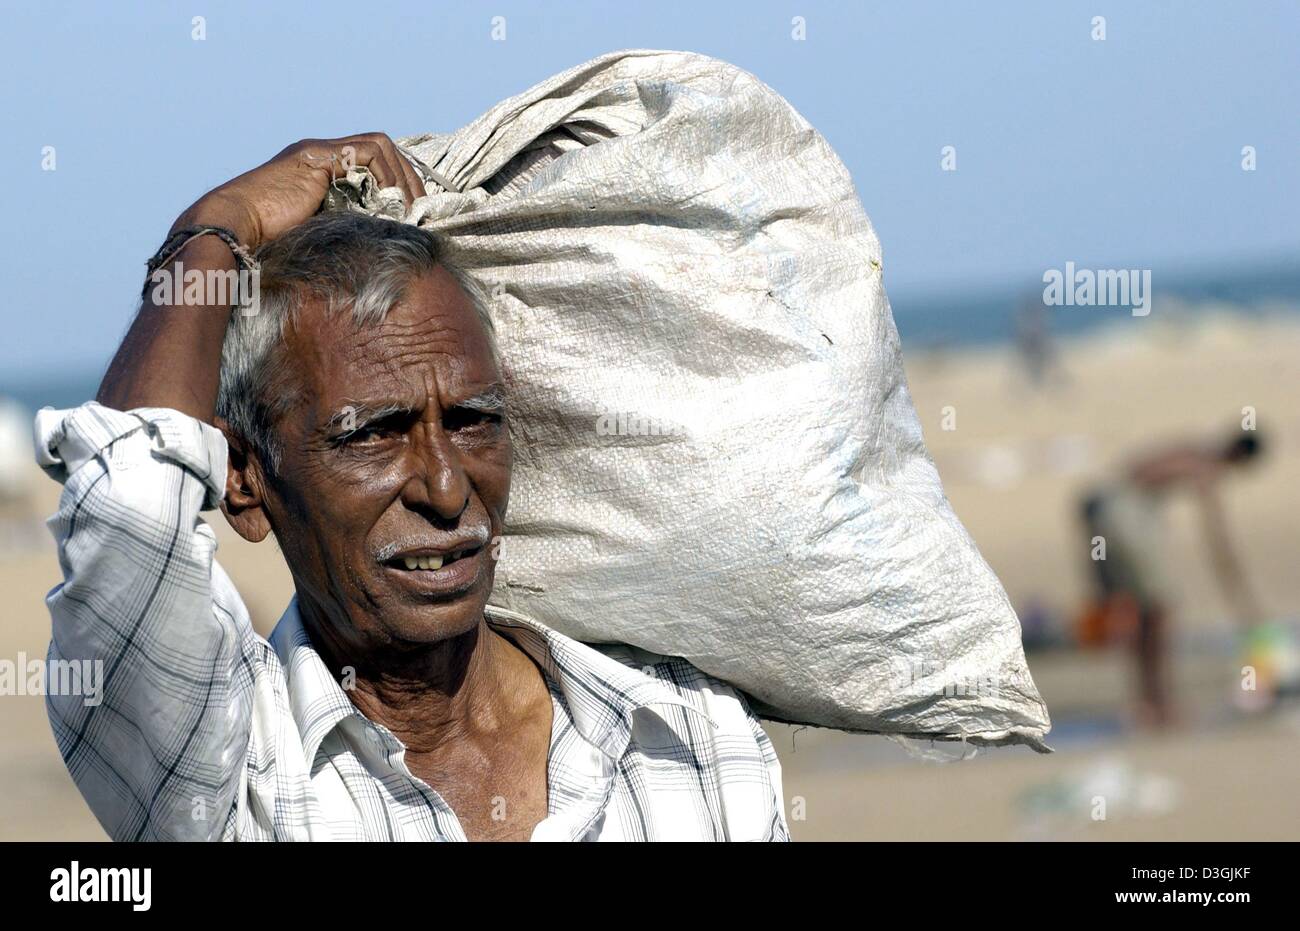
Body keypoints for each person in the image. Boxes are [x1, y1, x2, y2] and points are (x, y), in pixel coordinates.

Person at [37, 134, 790, 841]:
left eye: (472, 420)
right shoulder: (229, 766)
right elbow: (130, 510)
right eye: (373, 433)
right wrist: (213, 227)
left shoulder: (680, 733)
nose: (446, 487)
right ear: (243, 478)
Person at [1079, 429, 1266, 727]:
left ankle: (1146, 702)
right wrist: (1243, 599)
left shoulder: (1192, 449)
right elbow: (1217, 538)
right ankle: (1160, 702)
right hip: (1123, 512)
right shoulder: (1205, 466)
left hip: (1105, 506)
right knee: (1160, 609)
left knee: (1138, 610)